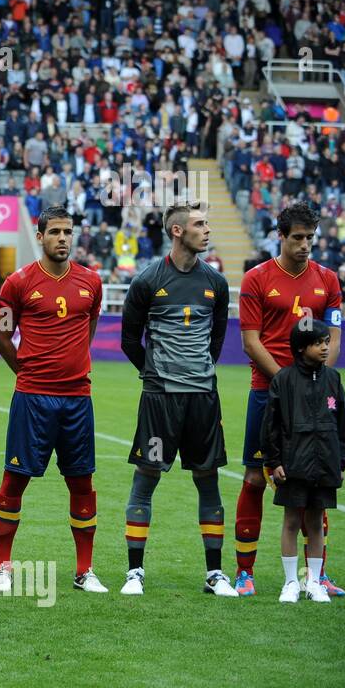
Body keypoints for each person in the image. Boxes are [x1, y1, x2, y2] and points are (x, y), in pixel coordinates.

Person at [119, 202, 237, 597]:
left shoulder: (216, 284)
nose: (207, 230)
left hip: (202, 398)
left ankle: (215, 574)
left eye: (207, 223)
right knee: (147, 476)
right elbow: (129, 339)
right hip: (159, 401)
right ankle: (135, 572)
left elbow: (216, 340)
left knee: (208, 480)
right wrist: (154, 374)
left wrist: (197, 373)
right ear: (176, 231)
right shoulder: (147, 281)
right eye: (200, 224)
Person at [0, 206, 108, 593]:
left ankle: (84, 571)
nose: (62, 238)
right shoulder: (18, 283)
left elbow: (88, 326)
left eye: (67, 231)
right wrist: (26, 372)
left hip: (77, 399)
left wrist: (71, 364)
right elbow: (2, 337)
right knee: (15, 480)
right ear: (39, 237)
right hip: (32, 399)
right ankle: (4, 567)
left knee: (82, 482)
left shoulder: (91, 282)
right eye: (54, 231)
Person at [232, 203, 345, 596]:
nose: (305, 245)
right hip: (267, 394)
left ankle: (318, 576)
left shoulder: (329, 280)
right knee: (254, 479)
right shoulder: (256, 279)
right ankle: (244, 572)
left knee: (316, 481)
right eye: (297, 237)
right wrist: (288, 384)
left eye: (310, 238)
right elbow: (250, 341)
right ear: (280, 236)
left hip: (313, 400)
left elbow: (333, 341)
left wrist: (314, 384)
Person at [261, 320, 345, 603]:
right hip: (293, 466)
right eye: (318, 343)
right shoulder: (284, 380)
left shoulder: (333, 379)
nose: (326, 347)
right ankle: (291, 582)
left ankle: (314, 582)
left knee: (316, 523)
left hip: (325, 464)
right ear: (301, 348)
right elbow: (271, 426)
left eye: (327, 341)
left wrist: (341, 461)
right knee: (291, 521)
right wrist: (274, 460)